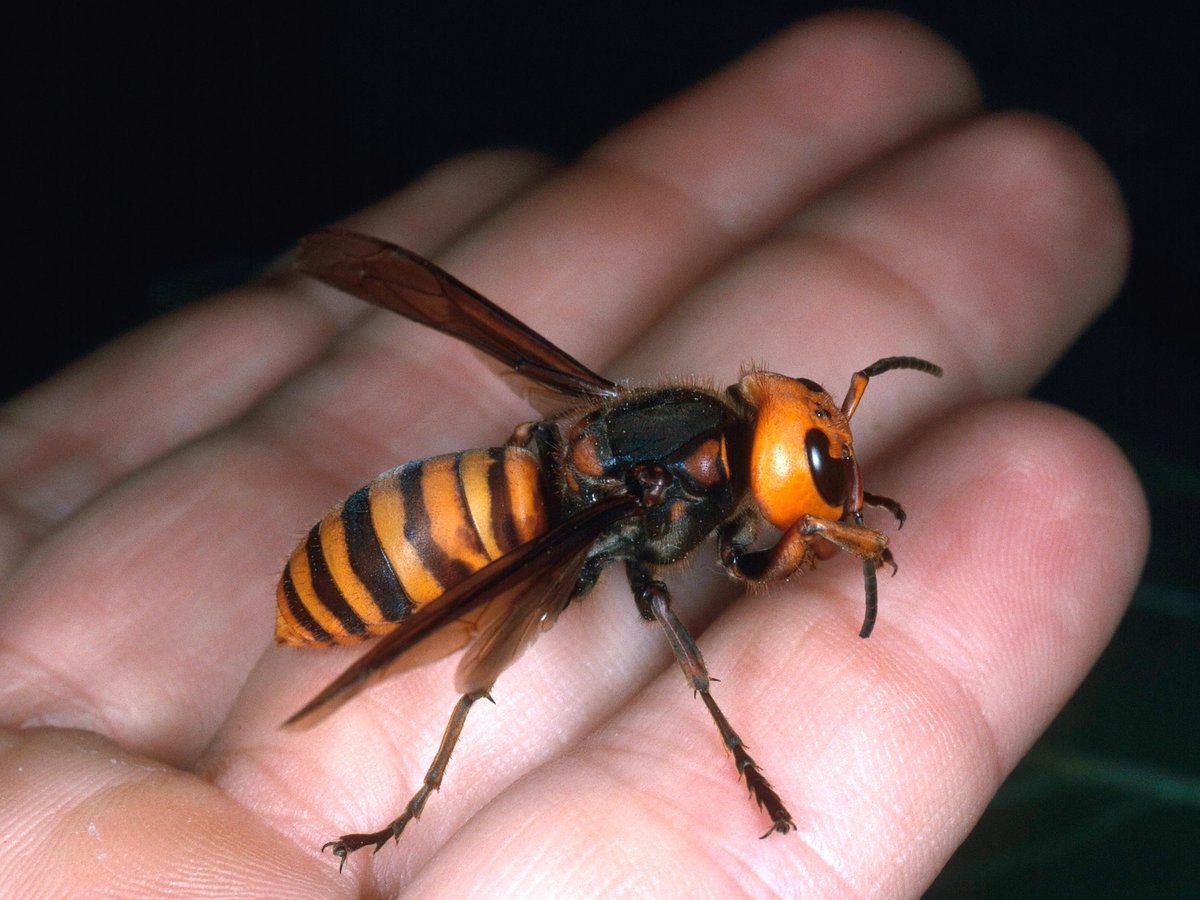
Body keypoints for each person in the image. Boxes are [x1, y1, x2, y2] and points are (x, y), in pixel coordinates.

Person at [0, 11, 1144, 896]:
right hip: (432, 547)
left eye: (820, 453)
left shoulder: (681, 433)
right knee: (486, 653)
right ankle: (419, 797)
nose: (817, 480)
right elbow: (735, 570)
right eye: (816, 469)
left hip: (490, 485)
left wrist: (822, 523)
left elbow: (753, 545)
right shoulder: (680, 482)